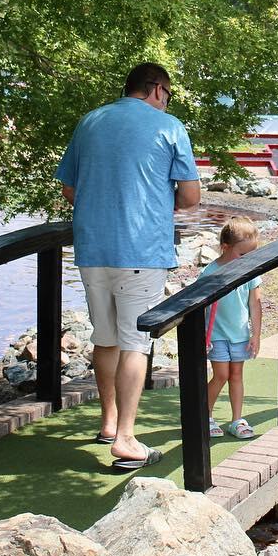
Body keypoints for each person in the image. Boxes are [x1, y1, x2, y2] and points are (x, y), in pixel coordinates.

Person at [56, 62, 200, 470]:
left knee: (106, 339)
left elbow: (70, 188)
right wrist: (152, 202)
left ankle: (108, 422)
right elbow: (190, 198)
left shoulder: (91, 121)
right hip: (140, 251)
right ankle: (126, 440)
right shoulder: (169, 126)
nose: (167, 100)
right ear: (157, 88)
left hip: (91, 248)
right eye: (168, 93)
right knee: (136, 344)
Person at [199, 217, 264, 440]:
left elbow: (254, 304)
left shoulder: (249, 271)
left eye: (251, 254)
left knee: (236, 375)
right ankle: (204, 416)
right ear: (225, 247)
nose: (247, 259)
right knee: (221, 375)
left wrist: (256, 335)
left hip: (239, 335)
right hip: (216, 334)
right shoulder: (211, 272)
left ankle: (237, 420)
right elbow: (200, 304)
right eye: (243, 254)